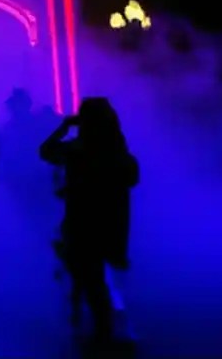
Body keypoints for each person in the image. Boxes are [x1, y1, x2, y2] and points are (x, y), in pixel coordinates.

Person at [41, 98, 139, 347]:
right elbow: (129, 179)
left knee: (88, 279)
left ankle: (101, 333)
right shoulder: (118, 153)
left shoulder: (78, 151)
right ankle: (105, 329)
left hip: (81, 224)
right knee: (95, 279)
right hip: (108, 224)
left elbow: (45, 150)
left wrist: (65, 126)